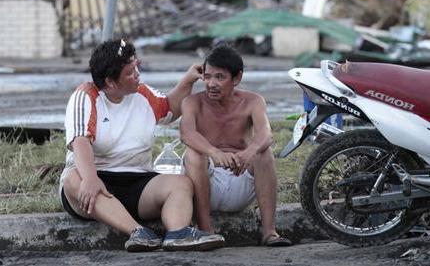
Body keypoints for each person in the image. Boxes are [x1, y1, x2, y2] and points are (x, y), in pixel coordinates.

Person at [59, 39, 225, 252]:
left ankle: (178, 233)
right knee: (73, 179)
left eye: (137, 67)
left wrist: (188, 80)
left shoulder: (142, 93)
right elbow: (80, 141)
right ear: (110, 82)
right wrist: (90, 179)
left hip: (138, 183)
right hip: (96, 181)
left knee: (180, 184)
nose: (137, 74)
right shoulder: (86, 96)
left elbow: (170, 109)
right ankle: (138, 232)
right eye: (130, 72)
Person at [180, 44, 292, 247]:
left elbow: (266, 133)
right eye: (207, 76)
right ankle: (206, 231)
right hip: (207, 181)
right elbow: (186, 133)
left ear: (237, 78)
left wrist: (249, 152)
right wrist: (213, 152)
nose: (211, 83)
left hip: (240, 176)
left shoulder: (253, 101)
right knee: (194, 154)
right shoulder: (192, 102)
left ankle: (269, 232)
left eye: (220, 77)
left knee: (264, 154)